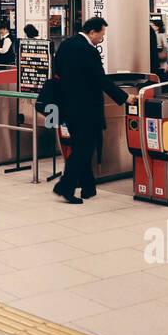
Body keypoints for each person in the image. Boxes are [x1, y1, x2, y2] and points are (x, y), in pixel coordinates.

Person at [52, 16, 130, 203]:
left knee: (82, 145)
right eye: (101, 35)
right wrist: (125, 97)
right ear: (92, 32)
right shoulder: (88, 51)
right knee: (84, 148)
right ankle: (66, 186)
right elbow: (101, 80)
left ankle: (88, 187)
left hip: (68, 106)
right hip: (86, 109)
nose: (100, 40)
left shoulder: (65, 45)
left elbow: (57, 70)